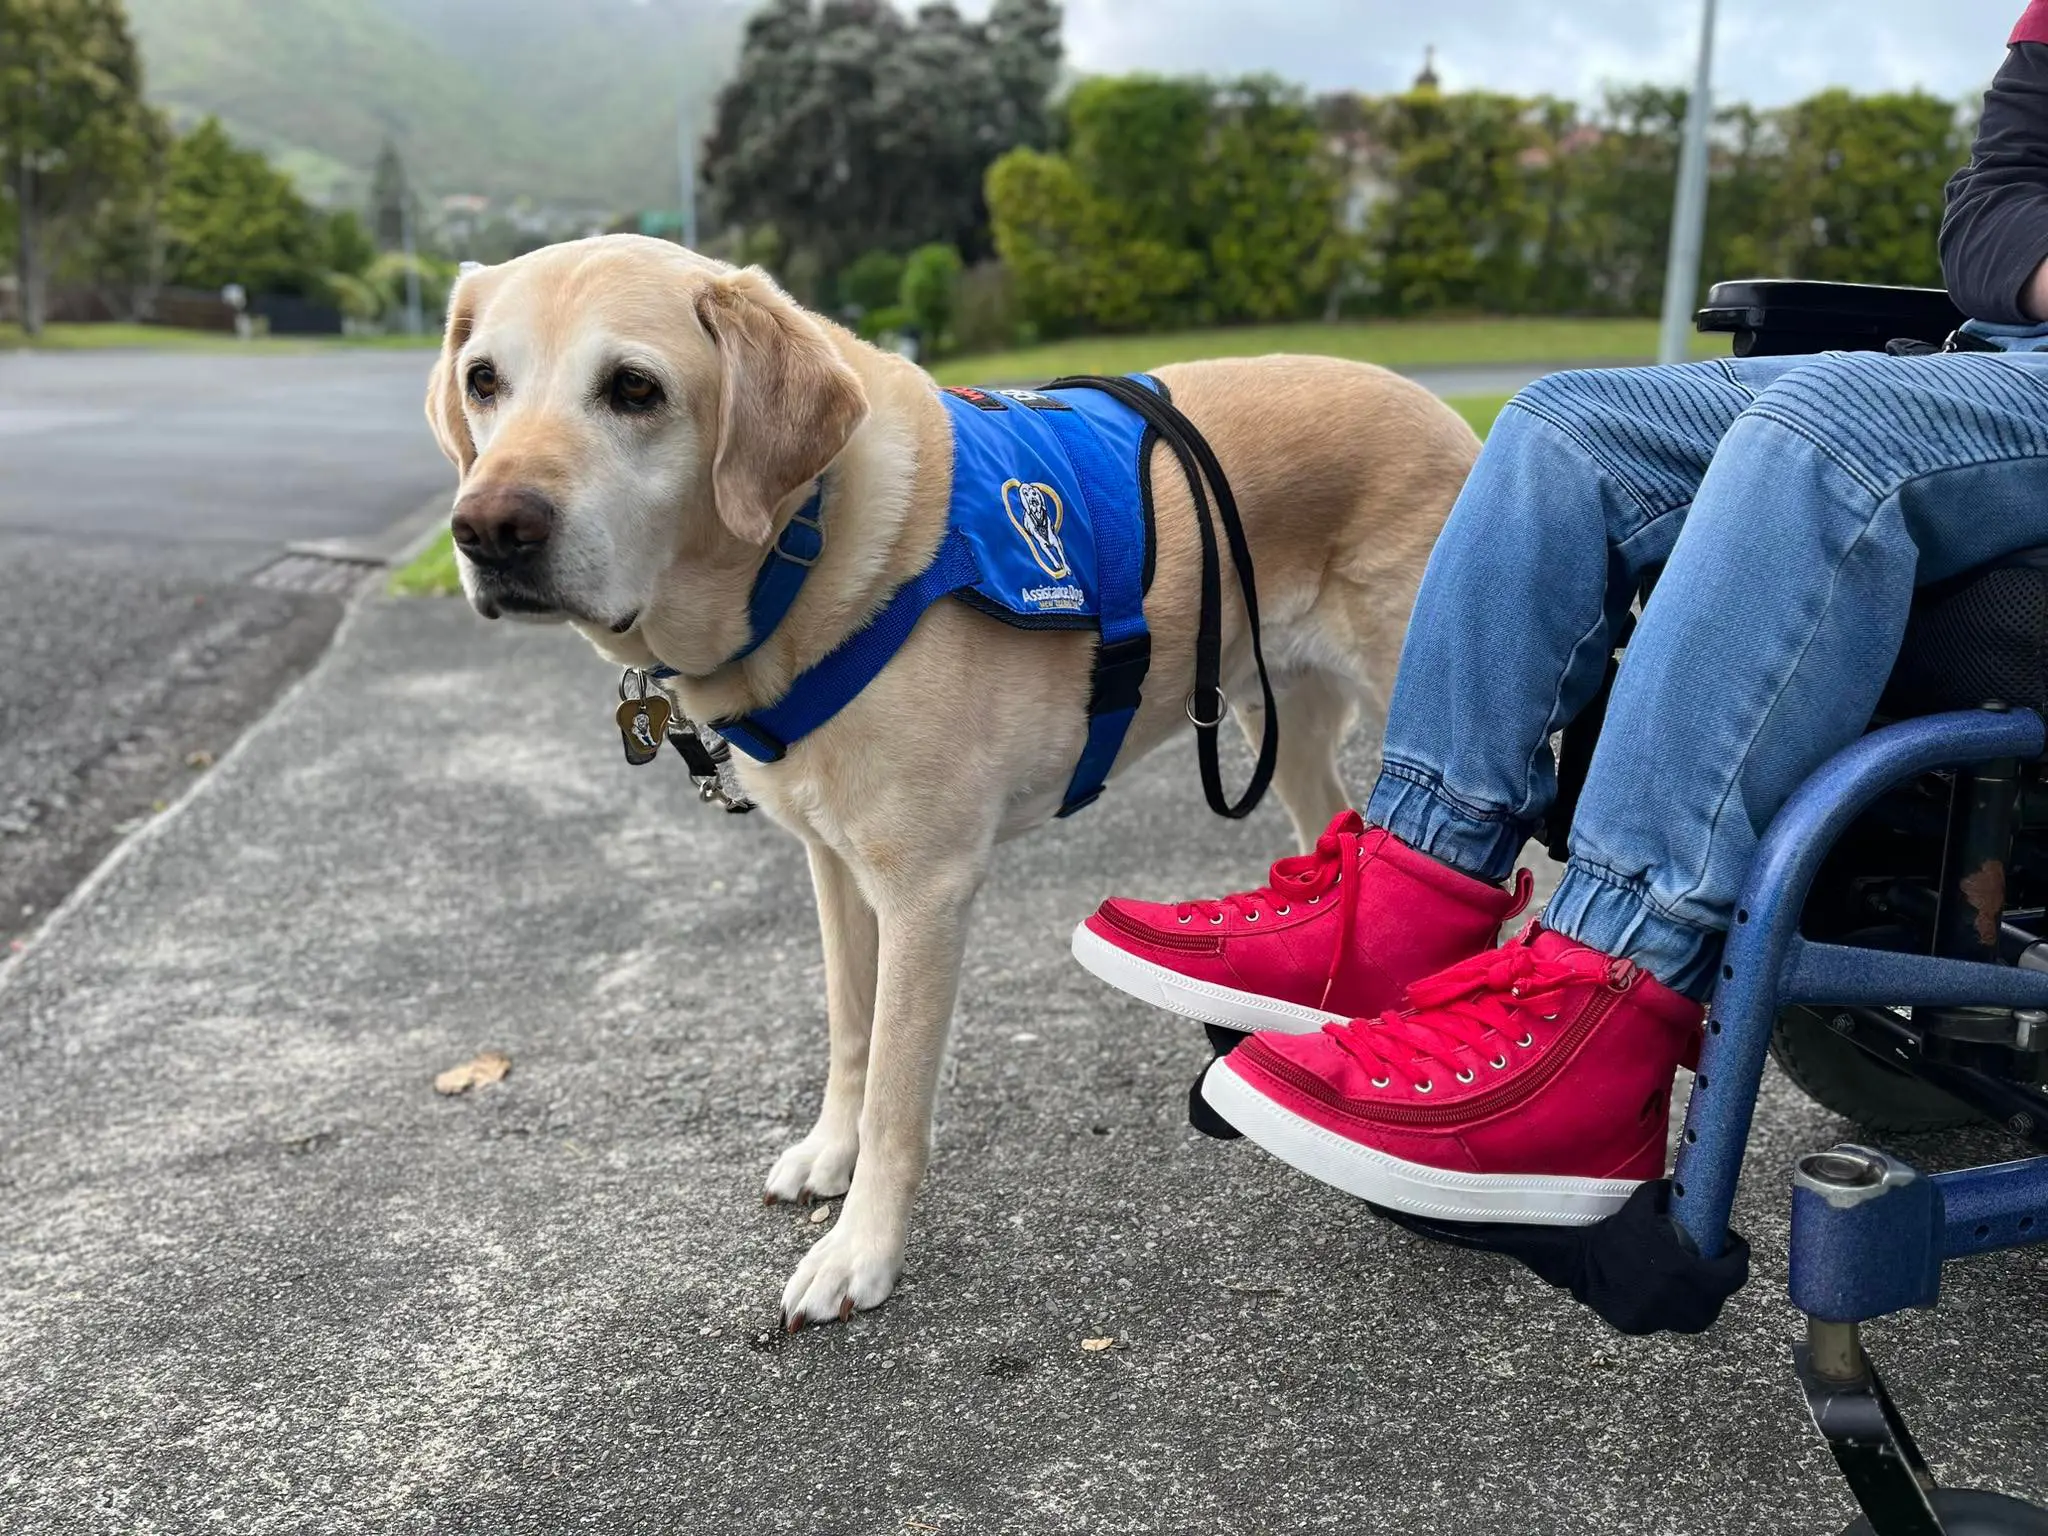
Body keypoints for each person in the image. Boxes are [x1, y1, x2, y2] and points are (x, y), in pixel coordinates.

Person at [1074, 8, 2048, 1226]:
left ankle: (1603, 1014)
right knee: (1561, 429)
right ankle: (1409, 898)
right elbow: (1995, 209)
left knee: (1823, 441)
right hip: (1999, 363)